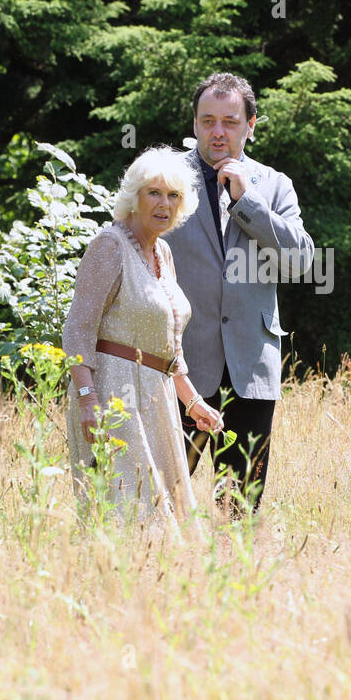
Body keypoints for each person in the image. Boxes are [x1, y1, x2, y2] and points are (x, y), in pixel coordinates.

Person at [163, 72, 314, 516]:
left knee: (239, 507)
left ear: (250, 125)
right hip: (178, 365)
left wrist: (248, 200)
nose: (218, 132)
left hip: (251, 366)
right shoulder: (167, 179)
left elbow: (301, 262)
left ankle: (232, 580)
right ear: (194, 125)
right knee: (163, 501)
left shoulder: (274, 185)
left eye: (230, 121)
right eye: (207, 120)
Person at [61, 147, 223, 537]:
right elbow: (78, 329)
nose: (164, 204)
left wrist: (194, 401)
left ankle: (158, 593)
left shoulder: (163, 252)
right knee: (129, 511)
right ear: (134, 196)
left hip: (158, 397)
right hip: (114, 395)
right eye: (154, 193)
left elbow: (169, 345)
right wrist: (87, 401)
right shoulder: (109, 246)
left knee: (164, 513)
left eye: (173, 196)